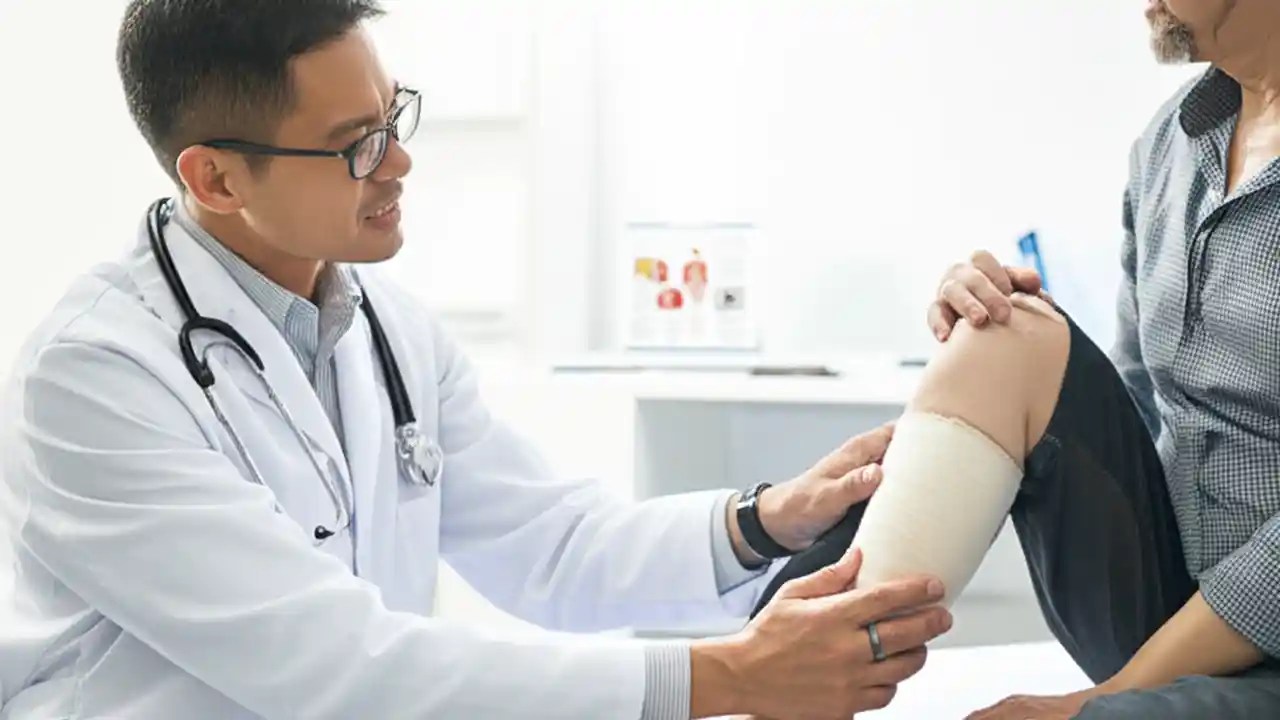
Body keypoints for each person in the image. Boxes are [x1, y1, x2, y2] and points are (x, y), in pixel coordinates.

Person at [0, 2, 955, 719]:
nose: (400, 164)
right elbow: (338, 662)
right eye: (356, 145)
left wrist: (762, 522)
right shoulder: (95, 379)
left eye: (394, 116)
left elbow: (555, 546)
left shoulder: (387, 327)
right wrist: (728, 674)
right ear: (214, 177)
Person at [754, 0, 1280, 717]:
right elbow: (1135, 400)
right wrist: (994, 338)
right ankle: (770, 672)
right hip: (1167, 601)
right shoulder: (1170, 145)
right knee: (1007, 328)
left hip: (1262, 642)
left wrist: (1097, 701)